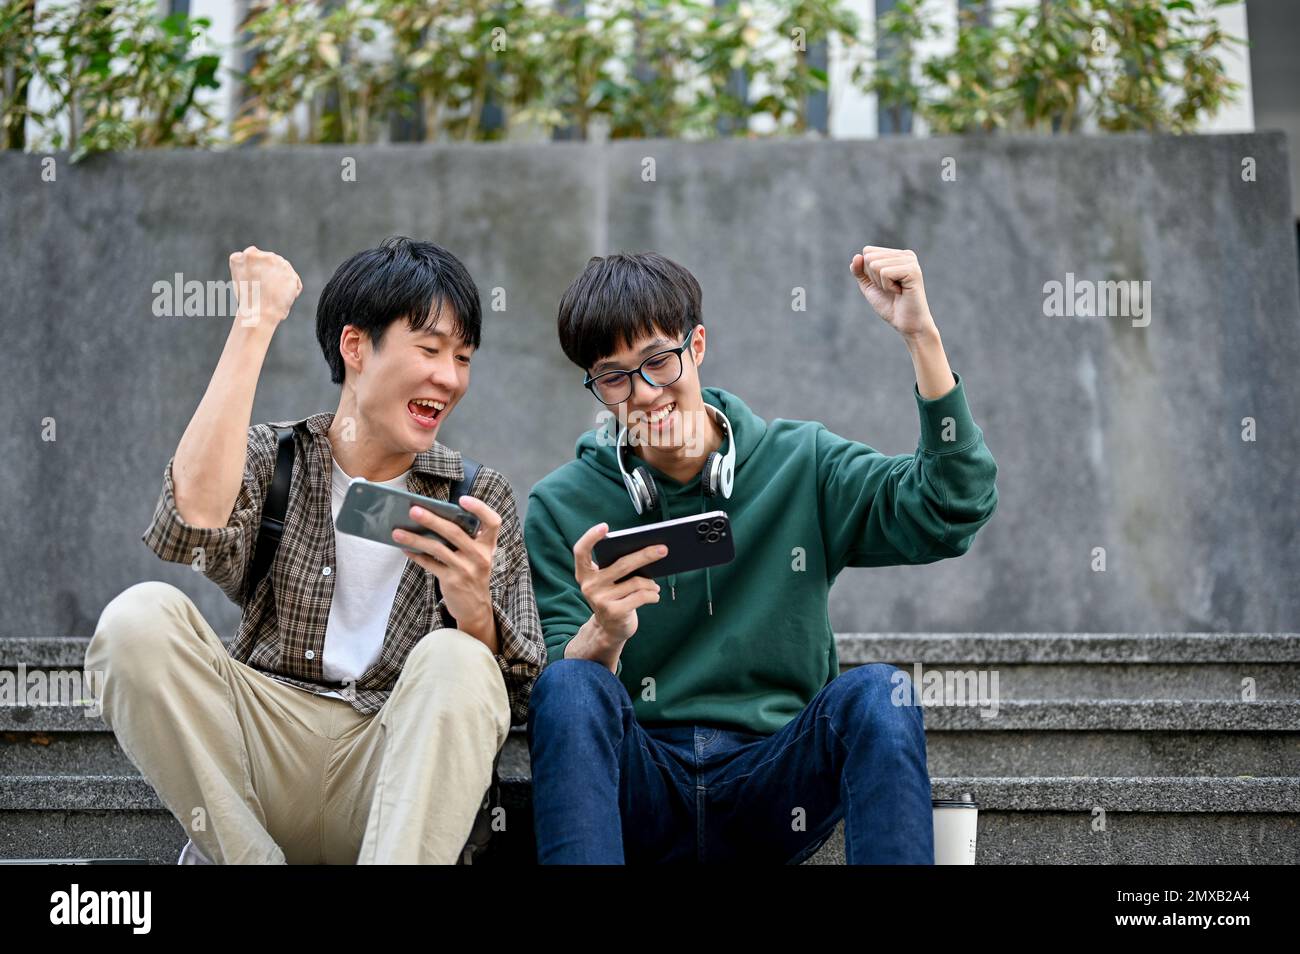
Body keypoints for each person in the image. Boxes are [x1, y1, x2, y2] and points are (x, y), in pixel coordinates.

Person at [523, 245, 998, 864]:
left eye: (658, 362)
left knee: (882, 693)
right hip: (640, 789)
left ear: (696, 346)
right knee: (569, 683)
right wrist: (604, 634)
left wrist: (922, 339)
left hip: (774, 784)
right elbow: (560, 693)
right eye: (613, 376)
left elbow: (949, 509)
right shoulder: (562, 505)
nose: (643, 393)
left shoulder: (801, 461)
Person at [86, 237, 544, 864]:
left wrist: (474, 613)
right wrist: (254, 323)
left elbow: (515, 693)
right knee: (137, 620)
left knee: (458, 659)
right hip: (262, 754)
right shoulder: (277, 462)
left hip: (389, 771)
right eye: (431, 349)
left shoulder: (476, 495)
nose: (450, 377)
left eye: (463, 358)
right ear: (356, 347)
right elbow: (188, 521)